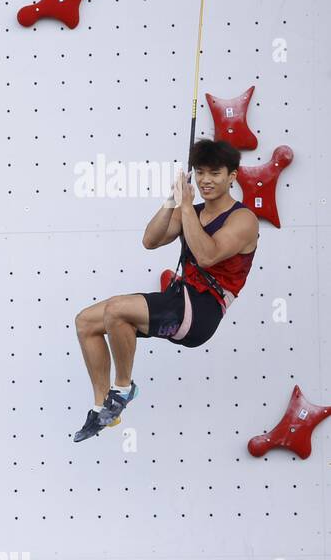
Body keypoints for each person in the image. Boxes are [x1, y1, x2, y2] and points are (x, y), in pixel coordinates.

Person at [72, 139, 258, 442]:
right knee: (86, 322)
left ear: (232, 176)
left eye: (215, 174)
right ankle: (102, 406)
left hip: (203, 311)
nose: (206, 181)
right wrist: (172, 201)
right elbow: (150, 241)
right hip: (180, 300)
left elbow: (207, 255)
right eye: (200, 173)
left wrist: (186, 208)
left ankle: (122, 390)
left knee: (117, 310)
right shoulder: (190, 210)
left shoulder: (243, 219)